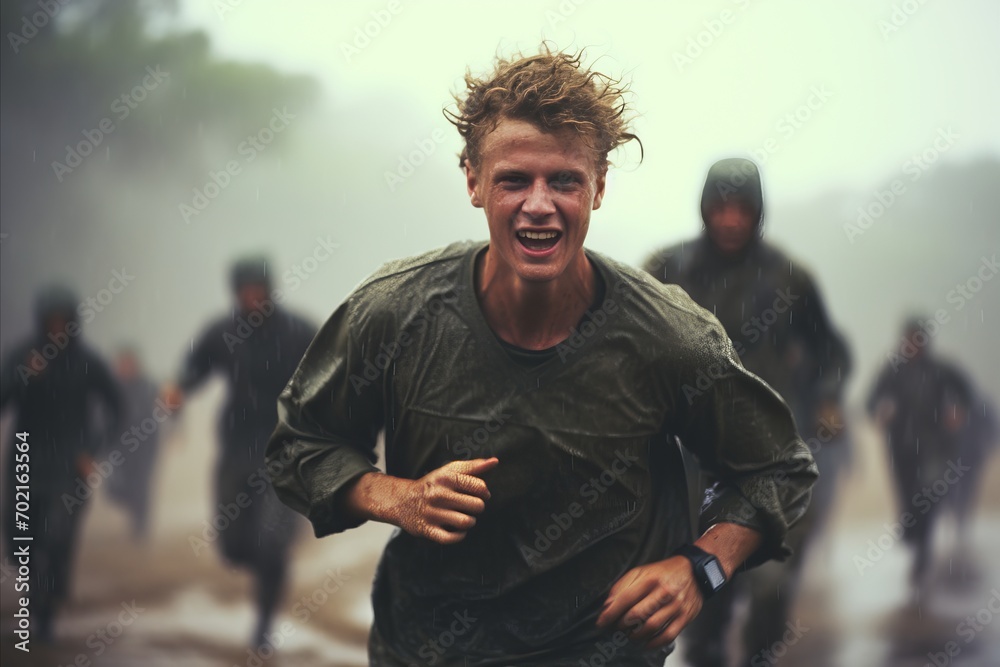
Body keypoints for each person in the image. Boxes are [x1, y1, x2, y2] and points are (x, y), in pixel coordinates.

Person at [266, 46, 818, 666]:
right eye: (513, 180)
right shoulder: (395, 311)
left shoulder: (670, 336)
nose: (538, 204)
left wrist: (700, 568)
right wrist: (395, 497)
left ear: (598, 186)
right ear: (473, 180)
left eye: (564, 180)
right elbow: (299, 444)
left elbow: (779, 469)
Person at [643, 158, 852, 667]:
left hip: (771, 454)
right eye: (721, 208)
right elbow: (628, 345)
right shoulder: (668, 271)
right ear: (704, 209)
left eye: (743, 209)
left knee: (770, 587)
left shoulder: (789, 277)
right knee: (704, 595)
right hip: (692, 459)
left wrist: (826, 396)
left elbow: (832, 351)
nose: (731, 220)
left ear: (759, 212)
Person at [161, 257, 317, 647]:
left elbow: (333, 372)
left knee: (270, 542)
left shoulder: (299, 331)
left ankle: (264, 620)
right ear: (234, 292)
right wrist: (178, 387)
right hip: (236, 448)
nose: (251, 298)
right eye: (244, 291)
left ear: (270, 289)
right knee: (232, 546)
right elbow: (194, 367)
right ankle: (268, 560)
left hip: (287, 449)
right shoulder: (223, 332)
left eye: (257, 289)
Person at [1, 285, 122, 642]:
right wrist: (23, 376)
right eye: (51, 322)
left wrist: (93, 450)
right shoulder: (22, 355)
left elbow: (117, 409)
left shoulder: (88, 361)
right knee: (21, 538)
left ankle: (46, 610)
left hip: (70, 462)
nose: (57, 328)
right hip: (26, 456)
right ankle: (36, 591)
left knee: (57, 537)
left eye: (62, 321)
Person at [867, 317, 975, 591]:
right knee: (908, 497)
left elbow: (966, 393)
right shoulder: (892, 371)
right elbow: (870, 400)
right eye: (908, 339)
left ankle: (922, 553)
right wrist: (880, 412)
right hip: (901, 447)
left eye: (917, 339)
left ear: (925, 341)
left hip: (934, 446)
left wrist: (958, 410)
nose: (911, 345)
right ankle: (912, 533)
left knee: (927, 495)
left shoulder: (941, 370)